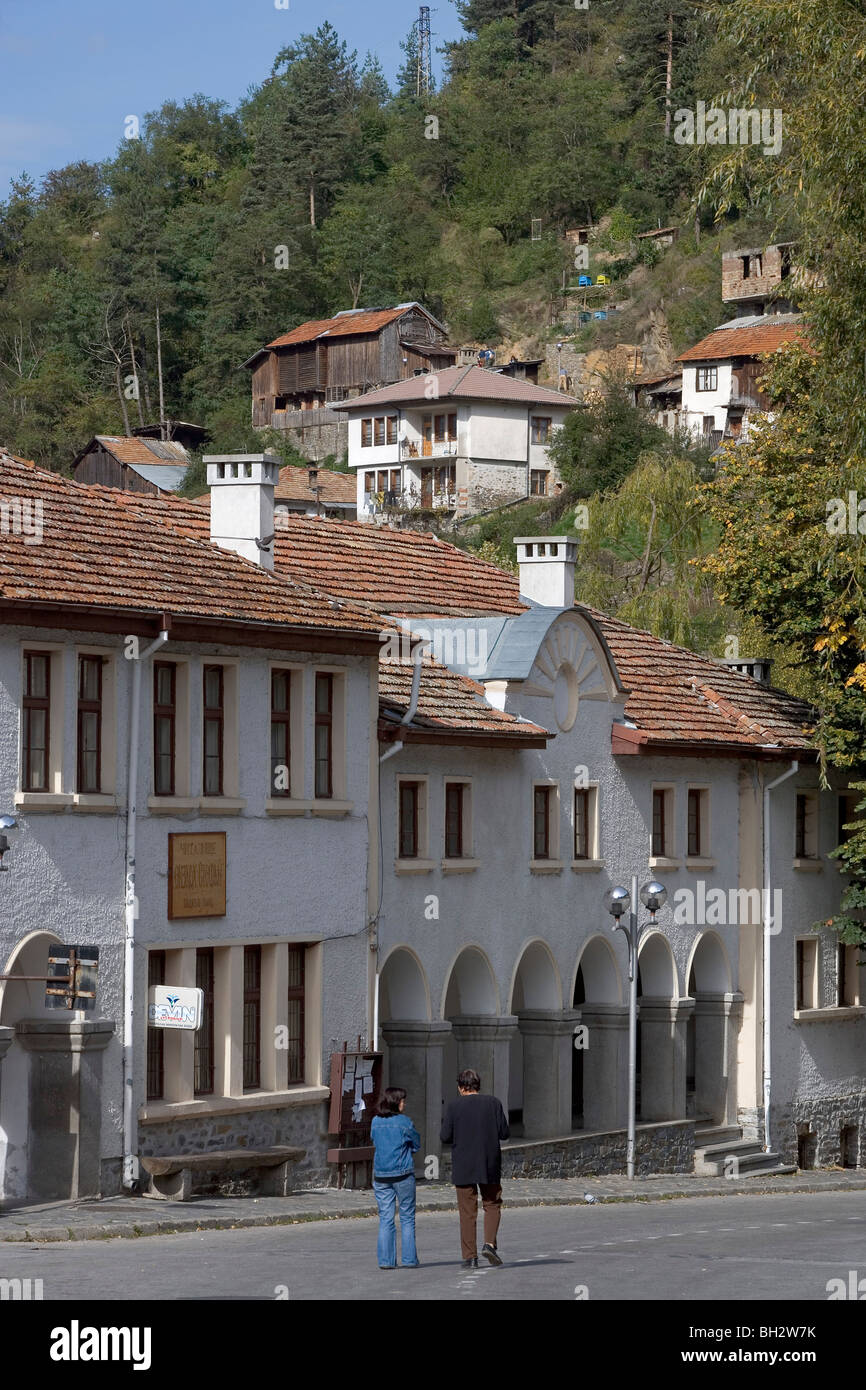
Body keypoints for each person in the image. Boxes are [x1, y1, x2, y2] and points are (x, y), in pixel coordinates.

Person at [440, 1068, 509, 1268]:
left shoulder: (454, 1107)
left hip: (463, 1164)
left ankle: (470, 1257)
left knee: (467, 1211)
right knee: (492, 1203)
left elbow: (445, 1137)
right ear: (478, 1086)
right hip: (489, 1162)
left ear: (461, 1088)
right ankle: (489, 1244)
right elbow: (504, 1133)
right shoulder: (494, 1103)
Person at [370, 1086, 421, 1269]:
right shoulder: (404, 1122)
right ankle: (408, 1259)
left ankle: (386, 1260)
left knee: (386, 1218)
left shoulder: (375, 1121)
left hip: (381, 1174)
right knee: (407, 1217)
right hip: (403, 1174)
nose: (404, 1103)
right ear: (395, 1102)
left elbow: (374, 1139)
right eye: (402, 1100)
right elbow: (416, 1143)